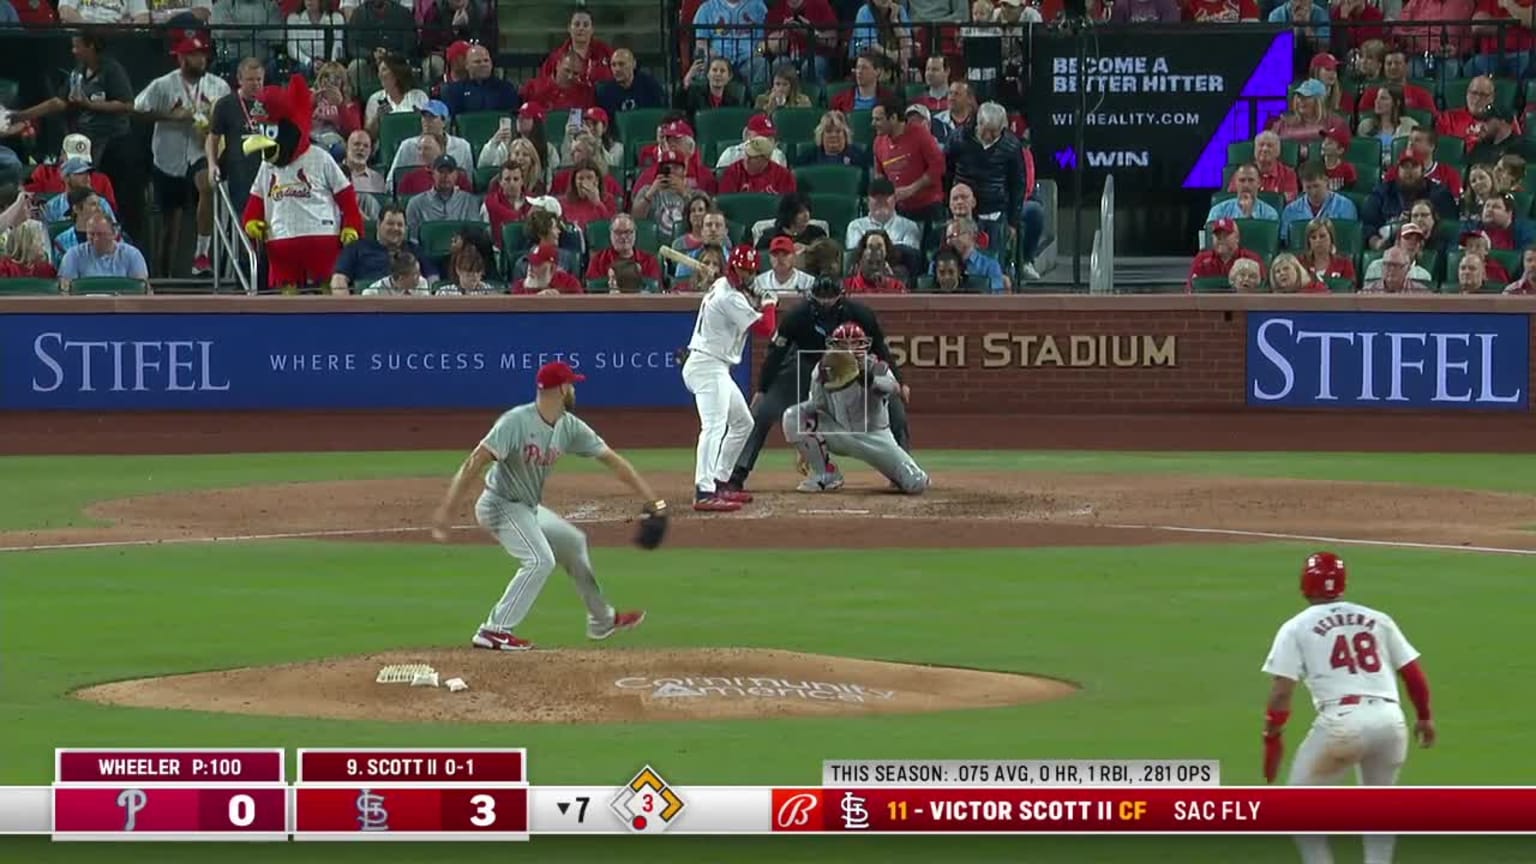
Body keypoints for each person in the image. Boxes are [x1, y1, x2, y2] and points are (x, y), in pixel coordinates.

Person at [429, 361, 660, 652]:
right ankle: (494, 630)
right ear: (563, 388)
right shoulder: (516, 421)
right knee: (540, 560)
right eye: (572, 384)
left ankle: (602, 620)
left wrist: (654, 500)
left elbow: (613, 461)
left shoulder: (569, 426)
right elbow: (474, 461)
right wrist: (447, 509)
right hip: (499, 505)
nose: (574, 389)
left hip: (527, 509)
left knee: (573, 542)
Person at [1260, 551, 1434, 864]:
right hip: (1391, 722)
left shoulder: (1295, 627)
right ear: (1343, 584)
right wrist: (1424, 717)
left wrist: (1272, 731)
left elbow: (1282, 692)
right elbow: (1413, 673)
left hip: (1343, 725)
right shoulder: (1377, 618)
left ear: (1304, 585)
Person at [725, 275, 907, 494]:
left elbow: (880, 348)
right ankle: (737, 473)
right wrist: (763, 389)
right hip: (805, 363)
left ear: (841, 296)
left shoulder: (860, 314)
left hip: (852, 365)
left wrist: (900, 381)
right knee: (763, 411)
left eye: (831, 298)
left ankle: (901, 469)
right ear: (811, 297)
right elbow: (777, 353)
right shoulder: (796, 316)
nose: (826, 303)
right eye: (821, 298)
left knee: (894, 407)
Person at [12, 33, 140, 240]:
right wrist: (23, 114)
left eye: (77, 46)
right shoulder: (78, 72)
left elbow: (127, 104)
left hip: (114, 142)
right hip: (87, 136)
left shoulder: (111, 70)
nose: (73, 51)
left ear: (90, 46)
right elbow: (59, 102)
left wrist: (90, 105)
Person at [681, 243, 779, 511]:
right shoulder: (728, 296)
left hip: (716, 366)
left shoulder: (728, 289)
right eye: (743, 270)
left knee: (743, 423)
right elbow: (766, 328)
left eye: (750, 271)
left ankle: (720, 480)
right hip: (707, 365)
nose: (747, 275)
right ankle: (704, 490)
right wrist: (769, 302)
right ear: (733, 267)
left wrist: (750, 293)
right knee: (714, 426)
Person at [782, 320, 928, 494]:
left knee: (916, 483)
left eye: (855, 343)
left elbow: (894, 388)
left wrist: (870, 380)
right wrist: (805, 446)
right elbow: (816, 405)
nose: (849, 349)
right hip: (839, 432)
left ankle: (895, 472)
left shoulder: (876, 366)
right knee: (792, 415)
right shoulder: (824, 368)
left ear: (864, 345)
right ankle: (826, 475)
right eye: (843, 344)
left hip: (874, 437)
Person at [134, 35, 229, 277]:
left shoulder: (218, 86)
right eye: (195, 56)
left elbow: (227, 118)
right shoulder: (162, 85)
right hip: (168, 158)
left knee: (206, 184)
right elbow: (137, 110)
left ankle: (202, 254)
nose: (202, 60)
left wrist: (211, 123)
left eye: (203, 55)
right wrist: (170, 116)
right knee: (169, 224)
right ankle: (164, 278)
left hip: (200, 151)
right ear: (182, 58)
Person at [946, 101, 1022, 263]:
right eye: (985, 130)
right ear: (978, 123)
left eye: (994, 132)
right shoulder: (958, 138)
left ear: (1003, 129)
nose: (988, 136)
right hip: (962, 212)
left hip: (994, 210)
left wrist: (1013, 222)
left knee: (994, 261)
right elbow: (947, 172)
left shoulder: (1011, 145)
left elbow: (1017, 185)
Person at [205, 58, 267, 216]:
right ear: (239, 80)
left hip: (267, 168)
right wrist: (212, 165)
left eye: (259, 79)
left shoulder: (270, 102)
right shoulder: (226, 105)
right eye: (250, 79)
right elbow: (213, 138)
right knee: (245, 218)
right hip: (240, 171)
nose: (255, 84)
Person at [872, 95, 946, 224]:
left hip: (928, 206)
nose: (873, 124)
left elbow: (938, 167)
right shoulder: (878, 142)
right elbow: (879, 174)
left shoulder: (921, 134)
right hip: (898, 209)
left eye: (878, 120)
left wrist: (912, 188)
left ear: (893, 118)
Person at [331, 204, 435, 291]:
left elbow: (433, 279)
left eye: (400, 225)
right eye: (390, 224)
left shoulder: (415, 250)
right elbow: (339, 279)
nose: (395, 228)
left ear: (406, 228)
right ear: (378, 224)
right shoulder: (356, 248)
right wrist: (348, 308)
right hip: (369, 307)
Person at [58, 214, 149, 294]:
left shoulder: (132, 255)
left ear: (114, 234)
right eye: (91, 234)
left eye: (101, 234)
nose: (96, 239)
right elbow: (65, 291)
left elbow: (141, 290)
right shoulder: (73, 255)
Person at [405, 155, 485, 243]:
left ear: (456, 175)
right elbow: (413, 239)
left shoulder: (470, 201)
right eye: (441, 172)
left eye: (450, 172)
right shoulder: (416, 203)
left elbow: (476, 235)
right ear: (433, 174)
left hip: (462, 254)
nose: (445, 176)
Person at [540, 7, 614, 85]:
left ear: (592, 29)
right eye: (577, 24)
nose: (581, 28)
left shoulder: (606, 52)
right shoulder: (556, 58)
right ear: (569, 28)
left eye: (585, 25)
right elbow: (544, 85)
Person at [845, 176, 921, 252]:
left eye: (886, 197)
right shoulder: (856, 226)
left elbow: (910, 258)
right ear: (867, 201)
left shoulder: (909, 227)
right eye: (876, 198)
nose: (881, 201)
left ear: (894, 199)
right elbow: (855, 255)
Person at [441, 45, 520, 116]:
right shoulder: (454, 91)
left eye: (486, 61)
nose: (483, 64)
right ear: (467, 65)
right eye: (477, 62)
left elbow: (510, 116)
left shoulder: (505, 88)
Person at [935, 217, 1004, 292]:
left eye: (954, 235)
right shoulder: (937, 263)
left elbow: (996, 297)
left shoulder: (990, 266)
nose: (949, 242)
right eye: (947, 238)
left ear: (972, 235)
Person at [586, 213, 661, 281]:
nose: (623, 236)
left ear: (635, 234)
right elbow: (592, 290)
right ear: (610, 234)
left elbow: (655, 291)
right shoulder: (598, 261)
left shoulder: (649, 262)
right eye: (618, 232)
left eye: (628, 232)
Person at [595, 48, 667, 116]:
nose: (617, 69)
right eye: (613, 65)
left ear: (633, 64)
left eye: (621, 64)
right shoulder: (606, 92)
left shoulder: (650, 87)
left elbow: (659, 114)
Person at [520, 51, 596, 112]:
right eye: (567, 70)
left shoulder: (586, 92)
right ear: (557, 65)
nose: (570, 76)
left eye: (575, 73)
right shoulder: (533, 87)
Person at [720, 136, 798, 195]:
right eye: (746, 154)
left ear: (765, 159)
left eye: (752, 157)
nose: (747, 160)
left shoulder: (784, 176)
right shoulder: (733, 172)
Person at [751, 234, 815, 296]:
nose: (780, 259)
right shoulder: (759, 282)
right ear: (770, 258)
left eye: (785, 254)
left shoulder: (808, 282)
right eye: (775, 254)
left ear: (794, 257)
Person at [800, 110, 867, 167]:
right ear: (821, 135)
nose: (833, 135)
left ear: (845, 135)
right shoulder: (808, 157)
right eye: (828, 131)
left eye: (838, 131)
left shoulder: (858, 157)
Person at [512, 242, 582, 294]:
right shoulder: (519, 287)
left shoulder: (570, 284)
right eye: (530, 262)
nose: (530, 268)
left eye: (536, 264)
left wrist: (558, 301)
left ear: (552, 268)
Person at [361, 249, 431, 295]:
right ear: (401, 278)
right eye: (415, 274)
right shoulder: (375, 291)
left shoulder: (422, 283)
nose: (420, 276)